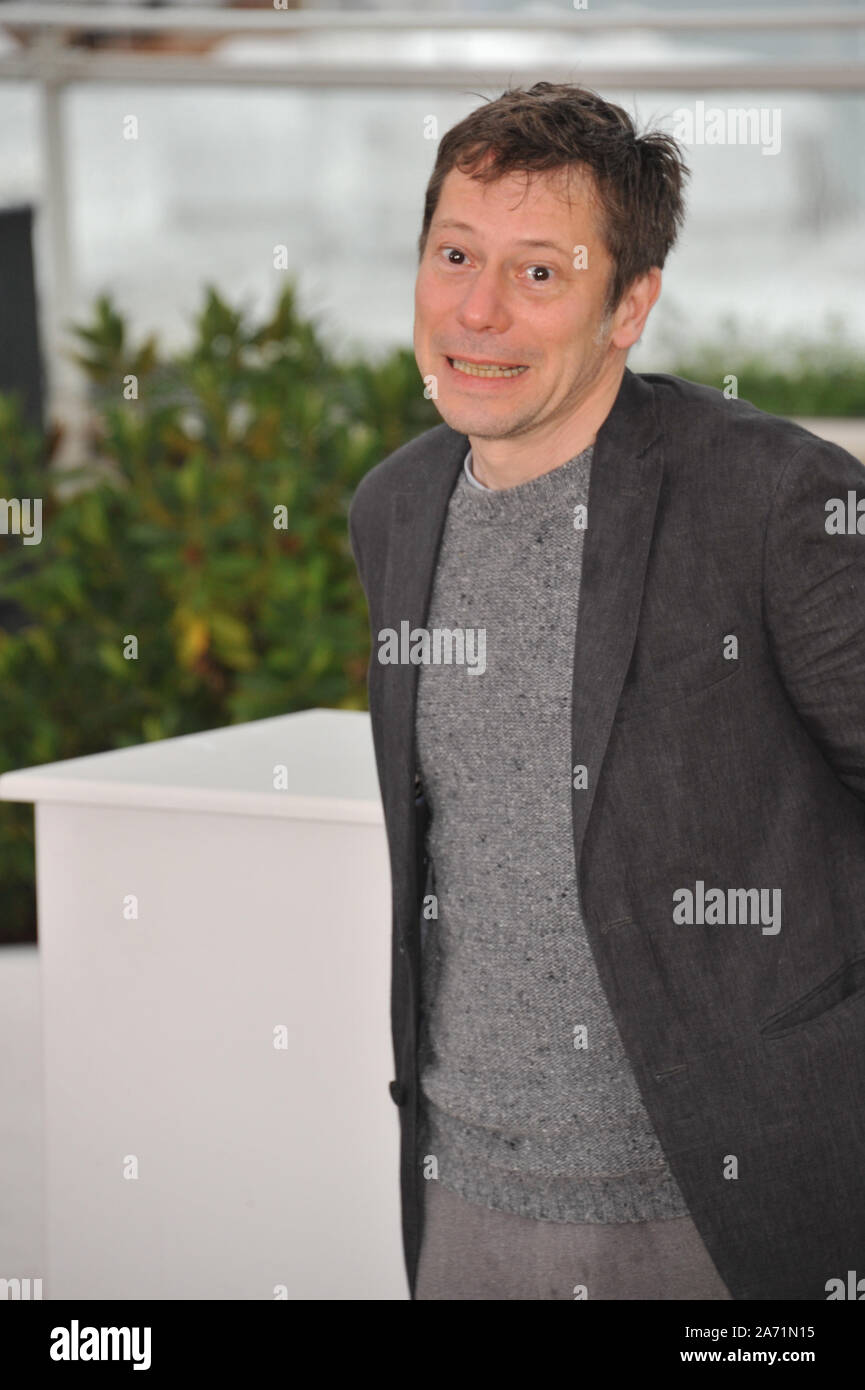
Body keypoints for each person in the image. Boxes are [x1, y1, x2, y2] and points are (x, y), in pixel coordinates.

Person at [348, 82, 865, 1301]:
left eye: (540, 273)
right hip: (461, 1191)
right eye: (455, 254)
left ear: (629, 304)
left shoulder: (774, 503)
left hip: (723, 1208)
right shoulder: (395, 506)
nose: (477, 310)